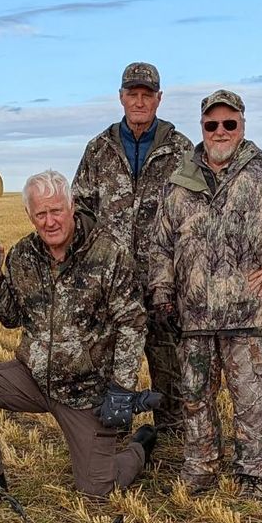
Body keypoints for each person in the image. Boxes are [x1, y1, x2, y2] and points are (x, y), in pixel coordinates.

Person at [148, 89, 262, 497]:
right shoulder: (178, 181)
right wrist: (162, 293)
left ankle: (253, 472)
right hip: (193, 314)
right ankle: (201, 467)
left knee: (249, 398)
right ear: (202, 128)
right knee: (194, 397)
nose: (220, 131)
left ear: (242, 125)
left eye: (229, 123)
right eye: (212, 124)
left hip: (248, 313)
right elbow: (159, 244)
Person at [0, 170, 158, 513]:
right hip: (33, 378)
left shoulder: (108, 252)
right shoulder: (22, 256)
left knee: (97, 490)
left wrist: (122, 390)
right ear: (29, 216)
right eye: (41, 214)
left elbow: (133, 323)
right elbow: (10, 316)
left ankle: (139, 446)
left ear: (71, 206)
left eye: (56, 211)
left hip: (86, 391)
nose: (50, 221)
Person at [71, 61, 194, 433]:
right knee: (107, 360)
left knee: (169, 360)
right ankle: (108, 432)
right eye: (132, 94)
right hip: (112, 282)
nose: (139, 101)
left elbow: (196, 214)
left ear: (159, 99)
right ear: (121, 97)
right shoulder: (98, 149)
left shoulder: (181, 149)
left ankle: (171, 435)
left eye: (147, 95)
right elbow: (81, 211)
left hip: (164, 280)